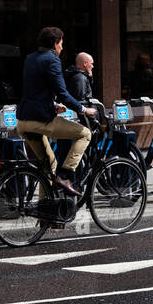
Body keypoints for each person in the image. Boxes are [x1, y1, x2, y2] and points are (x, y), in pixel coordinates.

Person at [17, 26, 96, 196]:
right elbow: (63, 94)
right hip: (41, 121)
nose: (62, 47)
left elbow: (34, 90)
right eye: (61, 43)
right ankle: (65, 176)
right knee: (85, 134)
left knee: (48, 165)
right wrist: (84, 109)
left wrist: (53, 105)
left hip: (23, 121)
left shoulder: (30, 58)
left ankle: (45, 214)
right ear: (55, 44)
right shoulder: (52, 60)